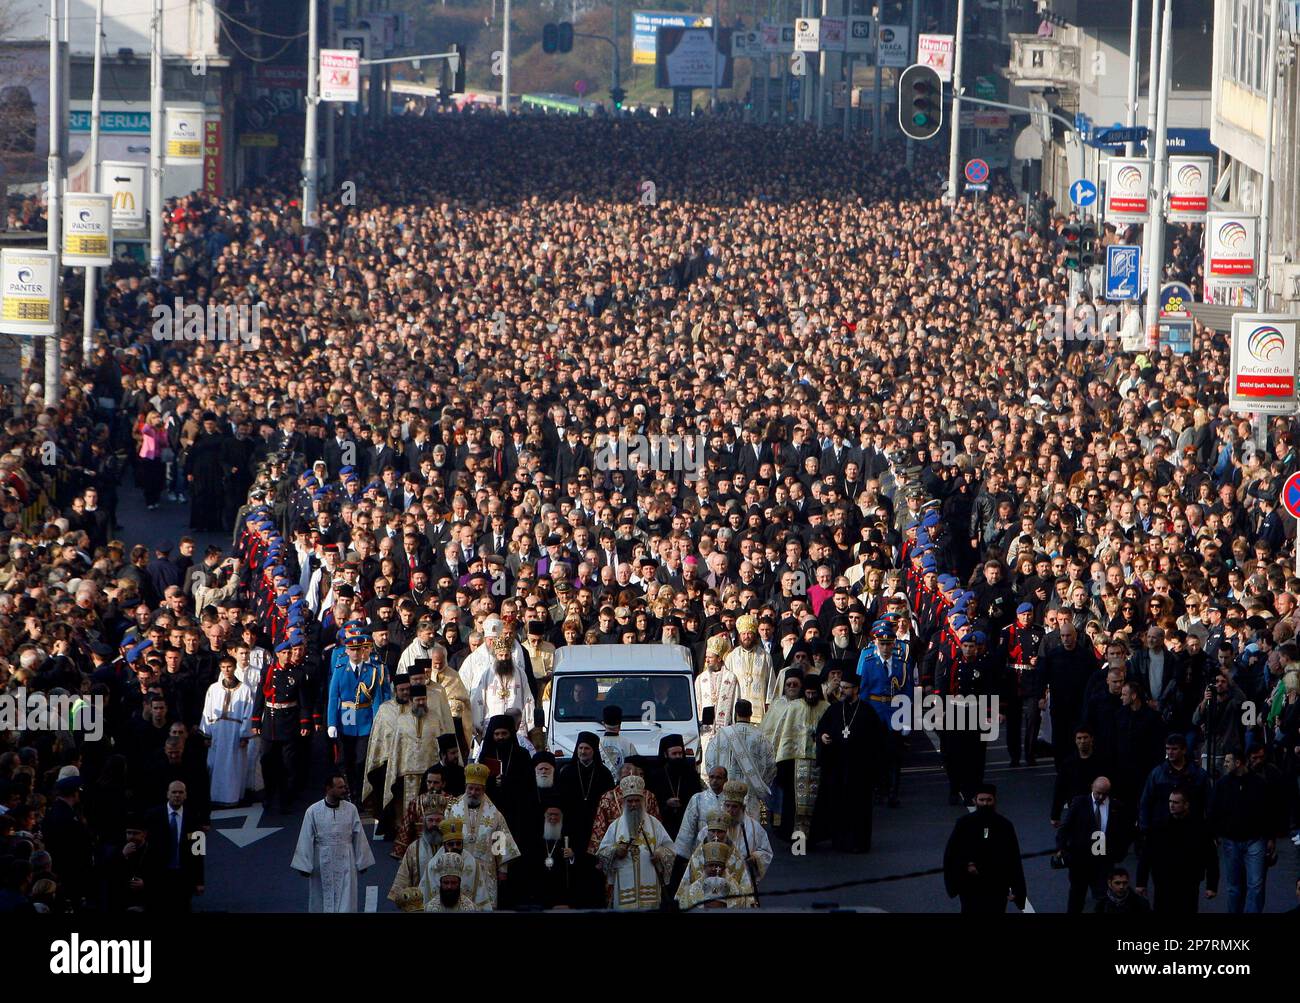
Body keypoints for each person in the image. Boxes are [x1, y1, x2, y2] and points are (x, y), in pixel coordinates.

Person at [815, 672, 888, 852]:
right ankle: (839, 841)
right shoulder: (834, 709)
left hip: (859, 769)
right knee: (838, 805)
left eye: (846, 688)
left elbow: (878, 741)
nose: (842, 691)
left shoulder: (867, 712)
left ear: (856, 689)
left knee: (859, 807)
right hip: (837, 767)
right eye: (841, 688)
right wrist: (822, 737)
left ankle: (859, 843)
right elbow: (821, 729)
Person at [290, 773, 375, 913]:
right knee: (321, 901)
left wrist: (362, 862)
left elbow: (358, 835)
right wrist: (304, 865)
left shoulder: (351, 809)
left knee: (346, 901)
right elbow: (306, 837)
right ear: (329, 789)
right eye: (340, 787)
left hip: (346, 860)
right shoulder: (313, 811)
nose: (344, 790)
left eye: (344, 786)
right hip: (321, 861)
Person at [443, 762, 520, 910]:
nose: (473, 792)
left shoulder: (495, 814)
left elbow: (501, 842)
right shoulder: (452, 810)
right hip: (459, 870)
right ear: (465, 788)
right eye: (470, 788)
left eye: (477, 789)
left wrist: (502, 870)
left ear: (483, 790)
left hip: (486, 873)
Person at [942, 784, 1027, 913]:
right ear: (974, 801)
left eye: (989, 800)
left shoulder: (1004, 825)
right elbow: (952, 853)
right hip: (971, 884)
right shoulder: (964, 823)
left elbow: (1013, 857)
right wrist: (966, 864)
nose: (985, 803)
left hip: (997, 883)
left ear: (995, 801)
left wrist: (1018, 890)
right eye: (982, 800)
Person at [761, 670, 825, 842]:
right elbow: (775, 734)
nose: (791, 687)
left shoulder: (824, 708)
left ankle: (811, 838)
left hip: (817, 762)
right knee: (791, 802)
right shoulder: (784, 705)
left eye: (795, 684)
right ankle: (792, 836)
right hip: (792, 762)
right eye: (788, 684)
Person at [595, 775, 675, 911]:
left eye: (637, 801)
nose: (633, 805)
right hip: (624, 888)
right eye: (630, 801)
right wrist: (615, 850)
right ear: (624, 802)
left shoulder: (654, 824)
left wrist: (659, 853)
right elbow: (601, 853)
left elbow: (670, 848)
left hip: (650, 886)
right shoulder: (615, 826)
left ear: (642, 801)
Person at [1208, 749, 1273, 913]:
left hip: (1254, 838)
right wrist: (1215, 832)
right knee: (1235, 887)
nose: (1224, 764)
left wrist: (1270, 837)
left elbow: (1268, 811)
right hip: (1232, 839)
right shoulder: (1222, 784)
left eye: (1228, 761)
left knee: (1254, 885)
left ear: (1238, 763)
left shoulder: (1259, 784)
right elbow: (1214, 810)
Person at [1055, 777, 1132, 914]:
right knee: (1077, 896)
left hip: (1103, 859)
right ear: (1092, 787)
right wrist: (1061, 848)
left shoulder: (1116, 806)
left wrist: (1119, 854)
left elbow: (1124, 832)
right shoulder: (1079, 802)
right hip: (1080, 860)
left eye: (1104, 794)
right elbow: (1065, 827)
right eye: (1098, 793)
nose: (1101, 797)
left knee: (1104, 897)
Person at [1136, 789, 1219, 914]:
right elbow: (1146, 856)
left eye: (1176, 802)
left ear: (1186, 804)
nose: (1171, 805)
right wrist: (1141, 882)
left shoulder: (1199, 828)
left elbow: (1211, 858)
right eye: (1170, 801)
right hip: (1163, 881)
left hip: (1188, 881)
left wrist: (1212, 886)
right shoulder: (1159, 827)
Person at [704, 700, 775, 821]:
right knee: (750, 832)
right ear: (751, 713)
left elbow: (710, 762)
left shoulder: (721, 735)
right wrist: (760, 784)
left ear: (735, 713)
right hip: (751, 796)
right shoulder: (761, 737)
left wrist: (717, 784)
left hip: (725, 795)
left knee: (725, 830)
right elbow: (771, 766)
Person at [199, 655, 255, 806]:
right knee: (215, 765)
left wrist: (244, 735)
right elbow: (207, 710)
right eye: (223, 667)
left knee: (234, 765)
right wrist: (206, 733)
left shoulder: (245, 689)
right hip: (217, 732)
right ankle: (214, 797)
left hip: (235, 733)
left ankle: (233, 797)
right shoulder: (214, 688)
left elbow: (249, 712)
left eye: (229, 667)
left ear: (234, 667)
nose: (226, 670)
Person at [387, 796, 447, 912]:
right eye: (430, 820)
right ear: (424, 822)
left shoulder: (451, 846)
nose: (434, 824)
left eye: (438, 820)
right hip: (420, 905)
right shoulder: (414, 848)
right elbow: (403, 878)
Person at [646, 733, 702, 840]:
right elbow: (651, 801)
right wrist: (666, 803)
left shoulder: (691, 774)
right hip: (663, 824)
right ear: (666, 755)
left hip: (686, 823)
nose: (678, 757)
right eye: (674, 753)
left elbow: (697, 797)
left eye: (680, 753)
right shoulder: (656, 776)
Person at [677, 840, 745, 910]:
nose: (714, 868)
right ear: (704, 867)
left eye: (718, 865)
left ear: (724, 868)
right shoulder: (690, 892)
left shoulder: (737, 891)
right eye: (711, 865)